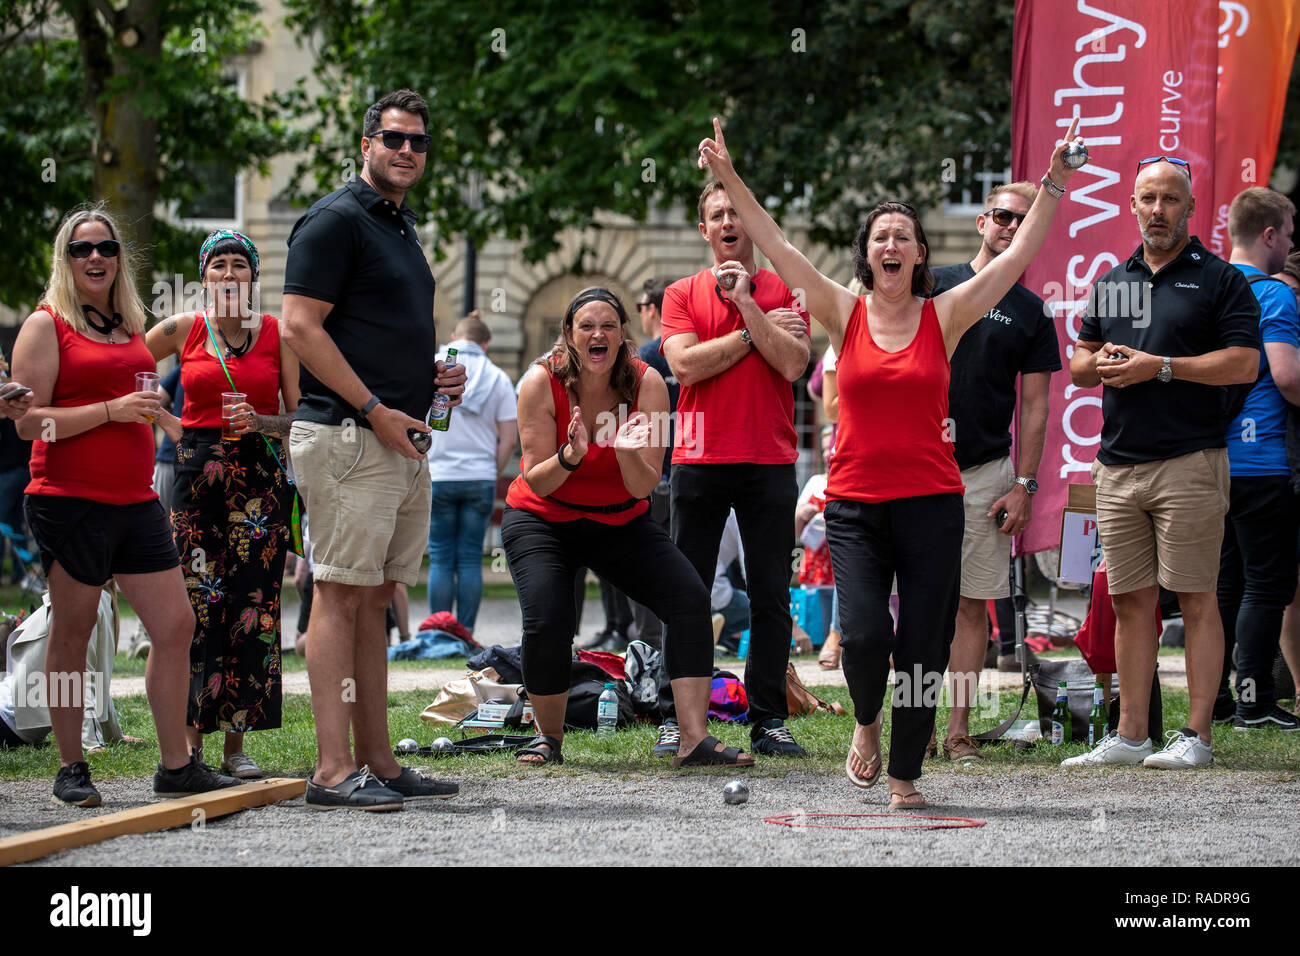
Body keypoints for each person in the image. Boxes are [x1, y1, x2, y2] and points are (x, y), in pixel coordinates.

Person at [696, 115, 1084, 808]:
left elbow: (1018, 256)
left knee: (922, 649)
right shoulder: (841, 311)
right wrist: (727, 178)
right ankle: (867, 724)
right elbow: (778, 245)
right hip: (855, 506)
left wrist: (1053, 182)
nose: (893, 243)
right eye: (882, 236)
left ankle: (906, 771)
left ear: (920, 252)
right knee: (868, 634)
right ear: (867, 255)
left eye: (904, 235)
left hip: (932, 505)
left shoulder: (948, 314)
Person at [12, 205, 238, 806]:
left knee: (175, 625)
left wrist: (166, 421)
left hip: (135, 499)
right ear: (66, 259)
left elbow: (142, 394)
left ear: (119, 259)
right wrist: (109, 412)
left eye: (106, 248)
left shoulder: (130, 324)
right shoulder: (46, 324)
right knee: (75, 632)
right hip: (68, 500)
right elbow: (30, 425)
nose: (95, 257)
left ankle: (175, 766)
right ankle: (71, 765)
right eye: (82, 249)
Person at [281, 89, 465, 810]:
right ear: (366, 144)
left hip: (397, 435)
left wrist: (427, 379)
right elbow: (299, 326)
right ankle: (332, 772)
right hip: (349, 433)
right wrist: (372, 406)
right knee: (338, 592)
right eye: (394, 139)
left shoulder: (399, 224)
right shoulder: (335, 220)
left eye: (419, 143)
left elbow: (365, 328)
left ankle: (380, 761)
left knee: (374, 600)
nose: (407, 152)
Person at [1064, 157, 1262, 768]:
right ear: (1131, 205)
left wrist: (1162, 366)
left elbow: (1244, 366)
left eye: (1170, 200)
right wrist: (1107, 362)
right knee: (1129, 600)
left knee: (1197, 597)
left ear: (1191, 209)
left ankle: (1198, 737)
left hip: (1191, 460)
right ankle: (1131, 736)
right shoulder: (1113, 278)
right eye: (1147, 198)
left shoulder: (1222, 279)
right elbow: (1078, 361)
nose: (1158, 210)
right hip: (1117, 465)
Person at [503, 286, 751, 768]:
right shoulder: (541, 381)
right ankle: (547, 738)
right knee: (550, 616)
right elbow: (538, 478)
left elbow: (643, 487)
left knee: (689, 598)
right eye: (587, 327)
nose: (598, 334)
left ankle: (693, 740)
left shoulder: (648, 383)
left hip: (619, 516)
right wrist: (571, 455)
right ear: (570, 336)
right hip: (543, 518)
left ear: (622, 335)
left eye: (609, 326)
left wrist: (621, 449)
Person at [660, 177, 812, 760]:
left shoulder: (783, 287)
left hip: (769, 459)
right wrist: (759, 333)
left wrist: (748, 305)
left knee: (772, 593)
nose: (728, 222)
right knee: (687, 594)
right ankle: (682, 718)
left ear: (751, 223)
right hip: (700, 458)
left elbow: (795, 363)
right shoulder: (682, 292)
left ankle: (768, 718)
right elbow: (686, 366)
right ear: (705, 231)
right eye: (717, 215)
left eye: (737, 213)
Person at [146, 228, 300, 780]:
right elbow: (128, 366)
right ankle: (191, 747)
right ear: (204, 276)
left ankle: (237, 747)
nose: (229, 273)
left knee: (251, 606)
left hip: (258, 481)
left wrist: (262, 421)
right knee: (194, 605)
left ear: (253, 277)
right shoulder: (185, 329)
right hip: (196, 478)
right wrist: (172, 425)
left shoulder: (278, 334)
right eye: (219, 265)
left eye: (240, 265)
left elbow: (301, 417)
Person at [929, 181, 1061, 763]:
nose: (1012, 226)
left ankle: (957, 730)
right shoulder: (932, 284)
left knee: (969, 606)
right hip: (917, 466)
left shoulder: (1033, 311)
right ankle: (915, 725)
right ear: (982, 222)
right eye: (1004, 216)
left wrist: (1025, 484)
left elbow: (1035, 407)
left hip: (985, 471)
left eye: (1024, 220)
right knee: (920, 602)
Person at [1213, 187, 1300, 731]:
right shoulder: (1273, 294)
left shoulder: (1211, 286)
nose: (1290, 242)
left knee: (1224, 585)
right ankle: (1256, 701)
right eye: (1289, 233)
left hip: (1211, 461)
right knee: (1268, 583)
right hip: (1264, 459)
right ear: (1268, 235)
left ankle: (1219, 698)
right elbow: (1287, 377)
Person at [426, 309, 516, 633]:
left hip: (438, 474)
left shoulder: (432, 367)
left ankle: (439, 633)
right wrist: (491, 470)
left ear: (454, 338)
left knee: (440, 557)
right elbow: (508, 438)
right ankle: (465, 634)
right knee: (469, 558)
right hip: (479, 477)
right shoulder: (498, 377)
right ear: (486, 344)